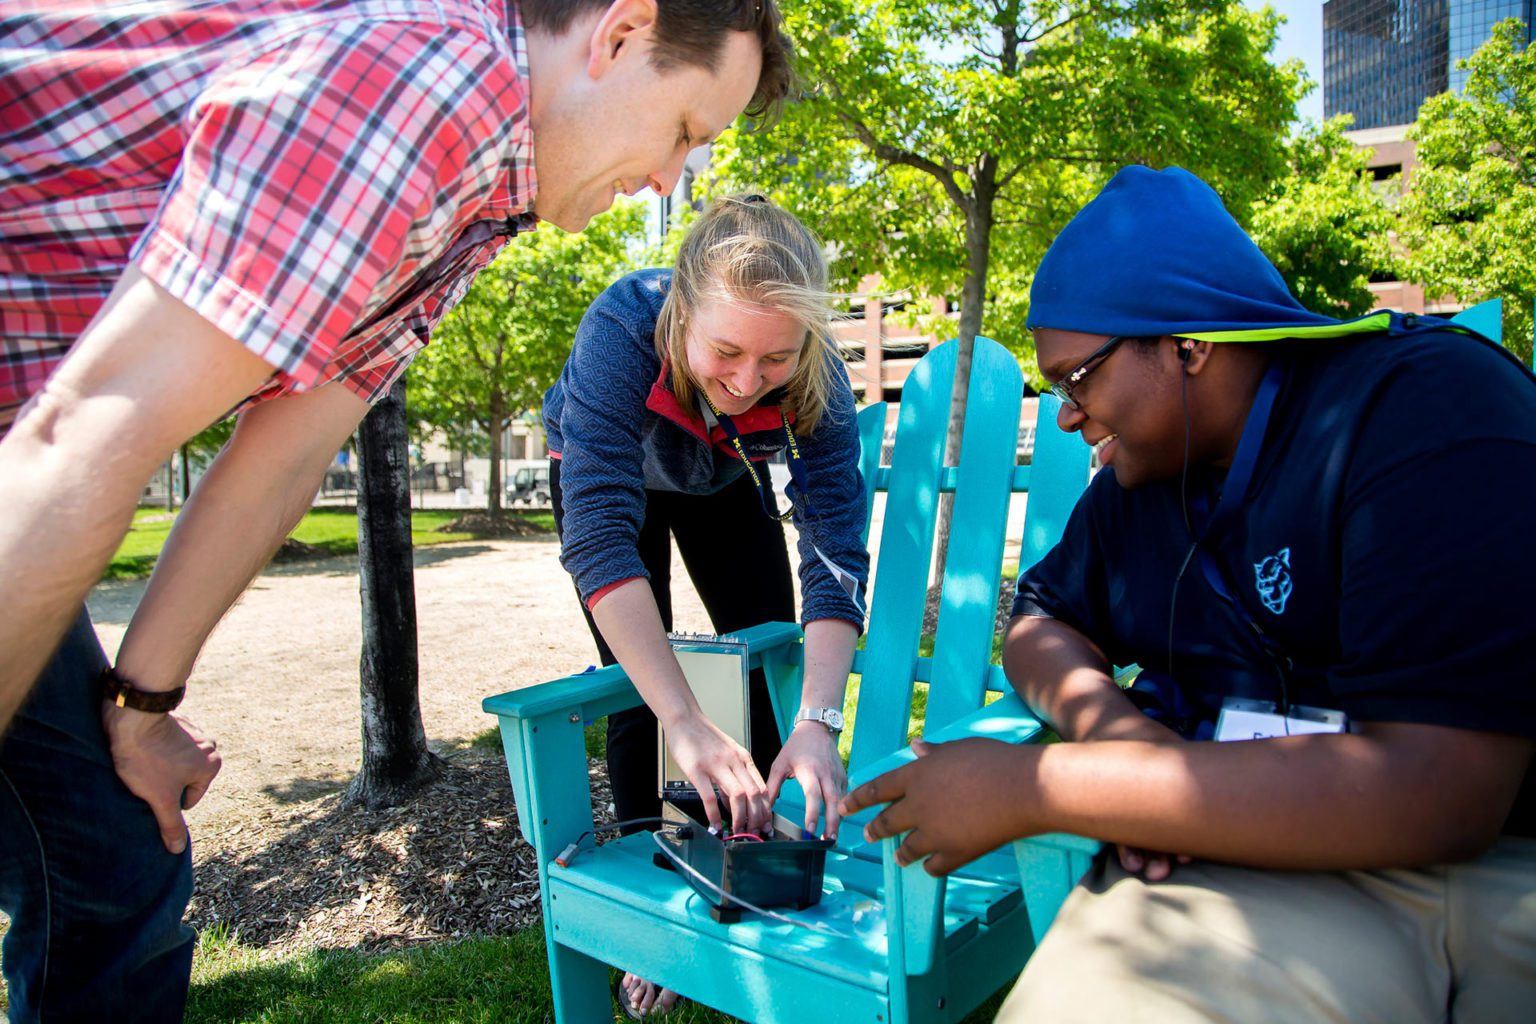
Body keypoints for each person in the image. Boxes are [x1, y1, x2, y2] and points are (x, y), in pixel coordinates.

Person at [0, 2, 793, 1019]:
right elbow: (82, 438)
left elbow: (281, 457)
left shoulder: (480, 209)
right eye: (682, 129)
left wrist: (141, 706)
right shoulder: (434, 83)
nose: (667, 179)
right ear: (620, 33)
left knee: (112, 871)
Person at [843, 165, 1536, 1022]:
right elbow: (1041, 617)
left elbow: (1442, 793)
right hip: (1262, 872)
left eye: (1077, 378)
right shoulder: (1145, 482)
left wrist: (1041, 787)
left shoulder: (1423, 407)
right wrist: (1120, 737)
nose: (1065, 414)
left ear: (1190, 345)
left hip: (1506, 863)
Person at [543, 192, 869, 1017]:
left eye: (775, 360)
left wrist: (819, 720)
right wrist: (683, 717)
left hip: (721, 473)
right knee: (641, 691)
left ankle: (751, 862)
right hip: (612, 472)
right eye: (726, 351)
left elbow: (835, 554)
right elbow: (600, 542)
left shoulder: (817, 376)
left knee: (761, 668)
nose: (747, 381)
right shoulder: (622, 329)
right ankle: (652, 910)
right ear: (682, 314)